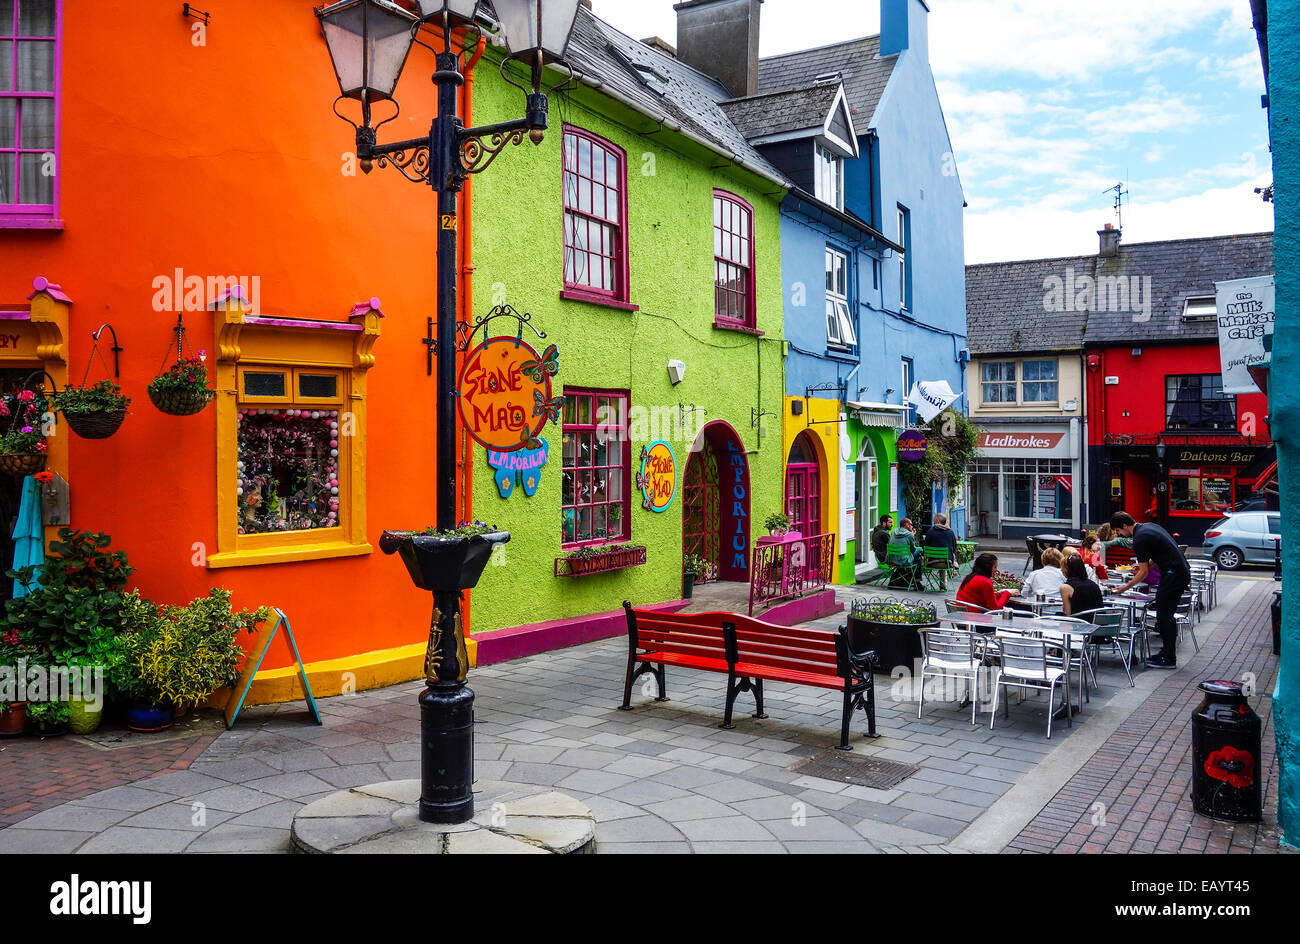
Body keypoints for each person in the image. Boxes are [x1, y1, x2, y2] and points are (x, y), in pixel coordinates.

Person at [1111, 511, 1190, 668]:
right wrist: (1144, 565)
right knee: (1165, 614)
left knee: (1164, 616)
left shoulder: (1139, 539)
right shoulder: (1149, 527)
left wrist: (1124, 588)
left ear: (1124, 526)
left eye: (1118, 531)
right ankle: (1166, 652)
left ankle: (1169, 658)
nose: (1119, 534)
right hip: (1179, 572)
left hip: (1173, 575)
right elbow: (1160, 554)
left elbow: (1144, 572)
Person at [887, 518, 924, 588]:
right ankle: (917, 581)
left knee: (913, 556)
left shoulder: (893, 532)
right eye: (911, 524)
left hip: (892, 559)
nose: (912, 526)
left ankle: (908, 579)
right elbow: (913, 550)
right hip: (903, 560)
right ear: (907, 525)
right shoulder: (909, 535)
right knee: (917, 554)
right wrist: (912, 535)